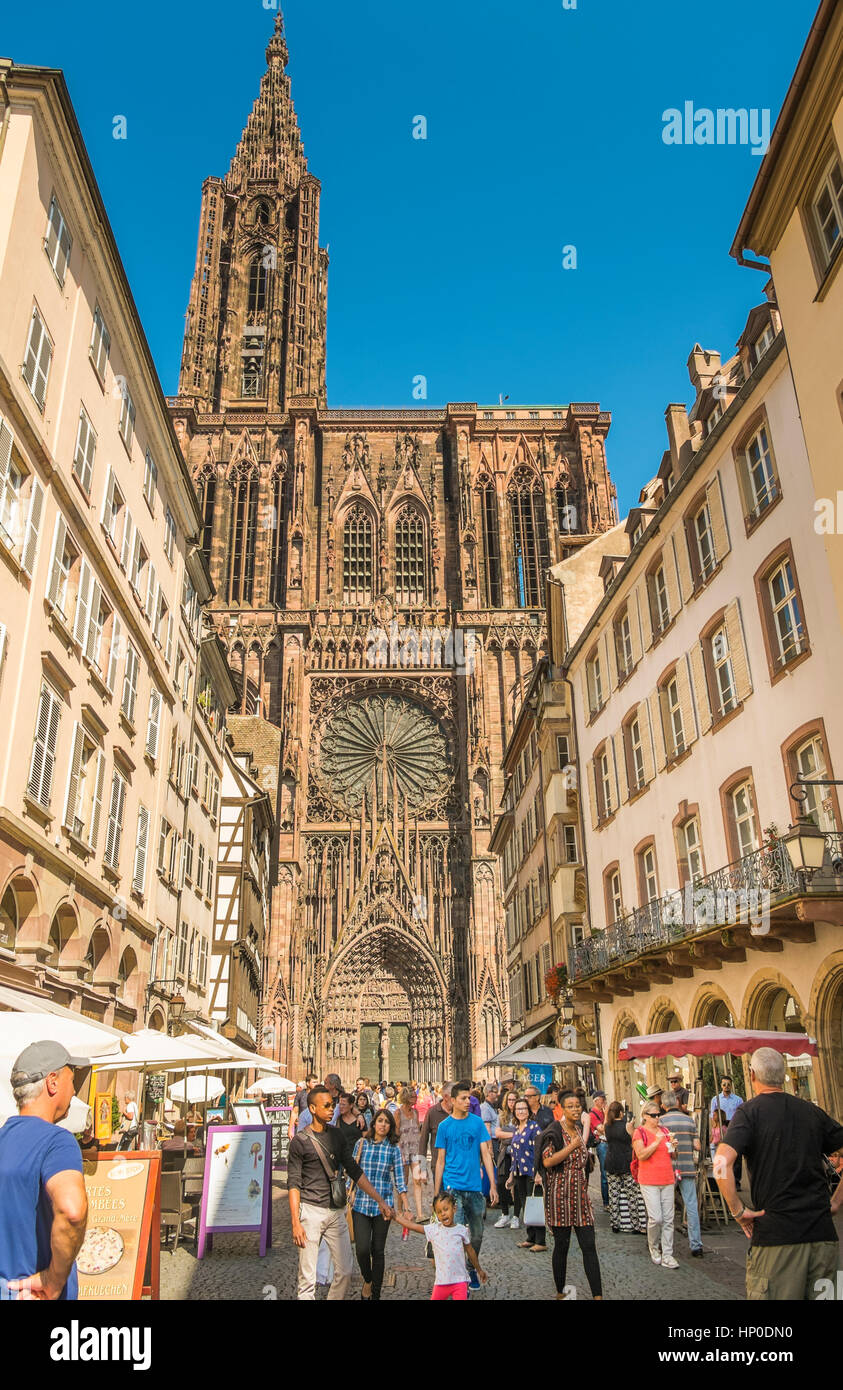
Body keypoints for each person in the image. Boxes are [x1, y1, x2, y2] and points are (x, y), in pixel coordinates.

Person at [714, 1046, 843, 1301]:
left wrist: (738, 1212)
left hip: (777, 1241)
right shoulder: (811, 1111)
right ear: (783, 1076)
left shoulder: (749, 1113)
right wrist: (836, 1201)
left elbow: (720, 1162)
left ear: (751, 1075)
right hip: (822, 1236)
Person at [0, 1041, 89, 1300]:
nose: (74, 1091)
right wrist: (53, 1279)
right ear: (52, 1083)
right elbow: (72, 1211)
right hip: (34, 1292)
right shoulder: (56, 1141)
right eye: (72, 1080)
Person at [287, 1085, 393, 1300]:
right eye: (327, 1106)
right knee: (307, 1278)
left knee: (344, 1271)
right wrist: (295, 1222)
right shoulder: (300, 1141)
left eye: (333, 1105)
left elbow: (354, 1170)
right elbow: (293, 1183)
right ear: (313, 1109)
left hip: (336, 1210)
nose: (332, 1109)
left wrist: (380, 1200)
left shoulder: (337, 1135)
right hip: (311, 1210)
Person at [433, 1080, 498, 1291]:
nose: (468, 1102)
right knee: (457, 1234)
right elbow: (440, 1160)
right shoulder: (445, 1127)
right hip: (453, 1188)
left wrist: (493, 1185)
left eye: (469, 1098)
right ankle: (460, 1280)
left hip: (475, 1187)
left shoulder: (477, 1123)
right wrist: (436, 1192)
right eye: (463, 1098)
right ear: (452, 1101)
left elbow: (486, 1155)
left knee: (477, 1235)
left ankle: (471, 1266)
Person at [539, 1092, 603, 1300]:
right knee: (562, 1246)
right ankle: (560, 1291)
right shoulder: (555, 1132)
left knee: (589, 1246)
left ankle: (598, 1296)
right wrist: (572, 1147)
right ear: (562, 1109)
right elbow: (548, 1161)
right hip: (560, 1195)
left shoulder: (578, 1129)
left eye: (578, 1106)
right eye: (571, 1106)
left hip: (581, 1196)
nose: (575, 1109)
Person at [349, 1108, 408, 1301]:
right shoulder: (361, 1144)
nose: (383, 1124)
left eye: (387, 1122)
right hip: (361, 1204)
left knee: (378, 1250)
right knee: (362, 1249)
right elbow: (352, 1170)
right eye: (380, 1120)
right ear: (373, 1123)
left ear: (390, 1126)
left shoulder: (393, 1148)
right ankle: (368, 1279)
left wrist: (405, 1205)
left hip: (384, 1207)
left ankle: (375, 1295)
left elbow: (399, 1178)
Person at [393, 1189, 486, 1300]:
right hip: (441, 1283)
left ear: (454, 1209)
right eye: (439, 1211)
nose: (443, 1214)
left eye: (446, 1209)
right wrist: (395, 1217)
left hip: (460, 1281)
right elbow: (413, 1226)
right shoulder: (434, 1229)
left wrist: (479, 1269)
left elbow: (470, 1251)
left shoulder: (461, 1230)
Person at [633, 1101, 679, 1268]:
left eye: (659, 1114)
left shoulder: (665, 1131)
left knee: (669, 1219)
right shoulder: (639, 1133)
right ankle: (653, 1247)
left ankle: (668, 1254)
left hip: (667, 1179)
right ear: (645, 1116)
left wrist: (673, 1147)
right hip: (649, 1180)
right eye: (654, 1115)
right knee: (656, 1218)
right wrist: (655, 1142)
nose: (658, 1117)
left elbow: (673, 1156)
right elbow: (641, 1155)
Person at [661, 1091, 703, 1256]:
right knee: (691, 1205)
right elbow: (697, 1145)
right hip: (687, 1167)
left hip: (669, 1169)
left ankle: (666, 1245)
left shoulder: (662, 1122)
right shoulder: (689, 1120)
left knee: (666, 1207)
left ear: (664, 1105)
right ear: (677, 1102)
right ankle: (696, 1245)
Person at [506, 1097, 545, 1252]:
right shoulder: (517, 1128)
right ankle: (531, 1237)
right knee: (525, 1205)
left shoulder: (534, 1127)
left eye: (523, 1109)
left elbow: (540, 1151)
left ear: (529, 1111)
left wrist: (539, 1173)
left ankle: (541, 1241)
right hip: (518, 1172)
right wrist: (511, 1176)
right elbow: (514, 1154)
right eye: (518, 1109)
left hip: (532, 1172)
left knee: (535, 1205)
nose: (521, 1112)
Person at [603, 1100, 647, 1234]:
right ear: (621, 1112)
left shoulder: (607, 1126)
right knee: (631, 1194)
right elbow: (635, 1141)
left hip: (611, 1162)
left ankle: (614, 1224)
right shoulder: (627, 1125)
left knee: (613, 1194)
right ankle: (635, 1224)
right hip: (626, 1163)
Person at [395, 1087, 424, 1219]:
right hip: (403, 1151)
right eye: (413, 1097)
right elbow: (395, 1133)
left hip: (415, 1149)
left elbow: (417, 1129)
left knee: (417, 1179)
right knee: (404, 1180)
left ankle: (419, 1213)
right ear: (406, 1098)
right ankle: (400, 1210)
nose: (415, 1099)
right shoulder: (398, 1113)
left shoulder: (416, 1112)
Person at [710, 1075, 743, 1185]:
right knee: (721, 1152)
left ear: (731, 1085)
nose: (726, 1086)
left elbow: (741, 1115)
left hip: (734, 1125)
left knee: (736, 1152)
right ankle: (723, 1179)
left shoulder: (738, 1100)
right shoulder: (716, 1099)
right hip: (720, 1125)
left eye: (728, 1084)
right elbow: (712, 1115)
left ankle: (737, 1180)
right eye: (724, 1084)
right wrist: (713, 1129)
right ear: (721, 1085)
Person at [493, 1090, 519, 1228]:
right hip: (504, 1153)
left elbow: (523, 1134)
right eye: (509, 1100)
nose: (512, 1102)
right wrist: (514, 1135)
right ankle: (505, 1214)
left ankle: (516, 1216)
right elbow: (497, 1133)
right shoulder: (501, 1116)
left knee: (518, 1184)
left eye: (514, 1099)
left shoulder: (521, 1114)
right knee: (502, 1183)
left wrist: (507, 1134)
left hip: (519, 1154)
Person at [583, 1091, 609, 1213]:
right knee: (604, 1173)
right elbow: (603, 1129)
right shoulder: (593, 1115)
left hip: (610, 1143)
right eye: (602, 1099)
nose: (604, 1101)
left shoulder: (603, 1112)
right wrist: (607, 1115)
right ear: (596, 1101)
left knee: (610, 1173)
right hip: (602, 1145)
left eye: (604, 1098)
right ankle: (606, 1202)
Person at [419, 1082, 452, 1167]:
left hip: (457, 1165)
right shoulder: (432, 1112)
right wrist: (422, 1167)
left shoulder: (461, 1112)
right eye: (454, 1097)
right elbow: (423, 1140)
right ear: (446, 1097)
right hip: (438, 1164)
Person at [289, 1074, 318, 1139]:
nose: (316, 1084)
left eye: (317, 1082)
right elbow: (294, 1112)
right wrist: (290, 1130)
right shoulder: (300, 1095)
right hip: (303, 1126)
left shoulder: (318, 1095)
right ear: (307, 1083)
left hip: (315, 1127)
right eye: (314, 1082)